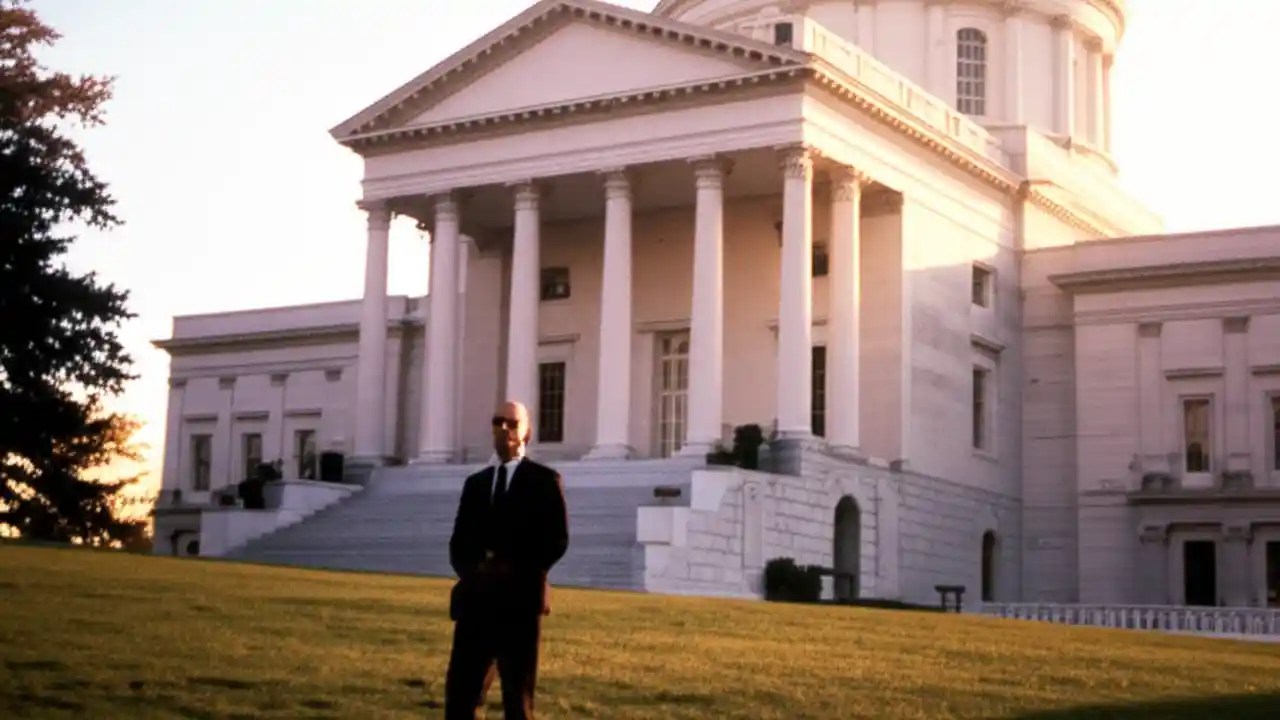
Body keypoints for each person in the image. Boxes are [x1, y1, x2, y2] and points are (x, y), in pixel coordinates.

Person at [444, 400, 569, 719]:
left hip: (520, 605)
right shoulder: (476, 484)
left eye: (513, 423)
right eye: (498, 421)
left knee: (517, 702)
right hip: (476, 603)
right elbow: (459, 542)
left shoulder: (545, 481)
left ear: (527, 433)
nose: (504, 429)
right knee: (460, 698)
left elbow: (556, 540)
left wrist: (515, 571)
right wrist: (475, 574)